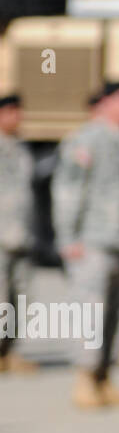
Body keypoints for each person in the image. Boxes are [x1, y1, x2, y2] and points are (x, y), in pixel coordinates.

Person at [52, 81, 119, 407]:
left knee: (115, 314)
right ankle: (84, 379)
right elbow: (68, 189)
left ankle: (103, 377)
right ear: (104, 102)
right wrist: (68, 237)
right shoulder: (86, 139)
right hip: (92, 240)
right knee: (89, 312)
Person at [0, 94, 39, 374]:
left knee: (19, 299)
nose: (17, 118)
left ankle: (9, 353)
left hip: (22, 235)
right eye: (11, 112)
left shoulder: (21, 148)